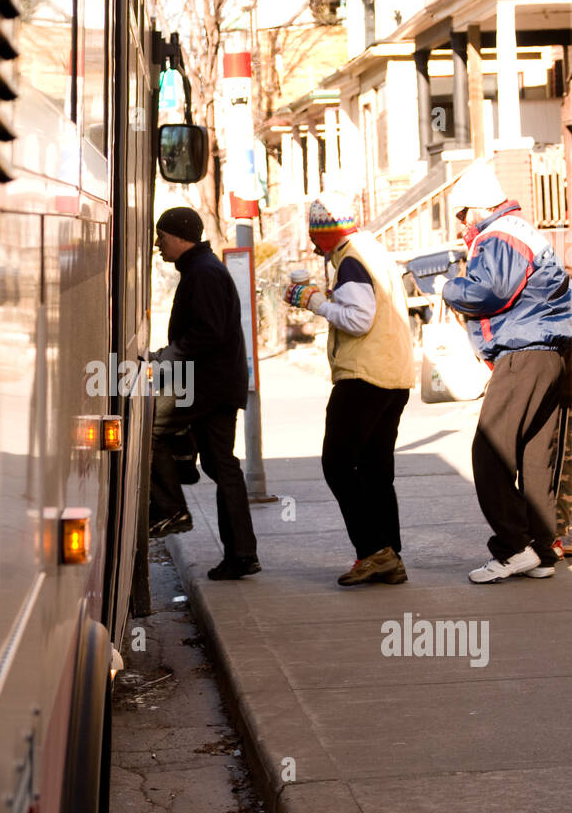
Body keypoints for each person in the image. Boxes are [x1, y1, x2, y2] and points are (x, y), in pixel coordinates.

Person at [441, 162, 572, 582]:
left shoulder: (498, 235)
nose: (462, 223)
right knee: (535, 455)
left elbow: (489, 292)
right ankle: (540, 549)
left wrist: (449, 287)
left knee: (490, 451)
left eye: (462, 214)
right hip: (552, 354)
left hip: (523, 353)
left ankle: (513, 548)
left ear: (477, 208)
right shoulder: (525, 229)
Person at [283, 192, 414, 586]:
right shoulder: (372, 251)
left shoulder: (352, 260)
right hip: (395, 376)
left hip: (363, 377)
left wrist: (314, 302)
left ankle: (374, 552)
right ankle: (388, 554)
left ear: (322, 233)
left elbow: (358, 320)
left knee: (338, 465)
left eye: (313, 232)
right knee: (375, 469)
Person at [149, 206, 260, 581]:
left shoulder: (203, 273)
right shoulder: (203, 269)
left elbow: (208, 332)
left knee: (149, 429)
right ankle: (242, 554)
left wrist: (164, 359)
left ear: (179, 237)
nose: (158, 245)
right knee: (220, 465)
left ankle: (169, 509)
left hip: (207, 385)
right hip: (216, 384)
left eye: (162, 238)